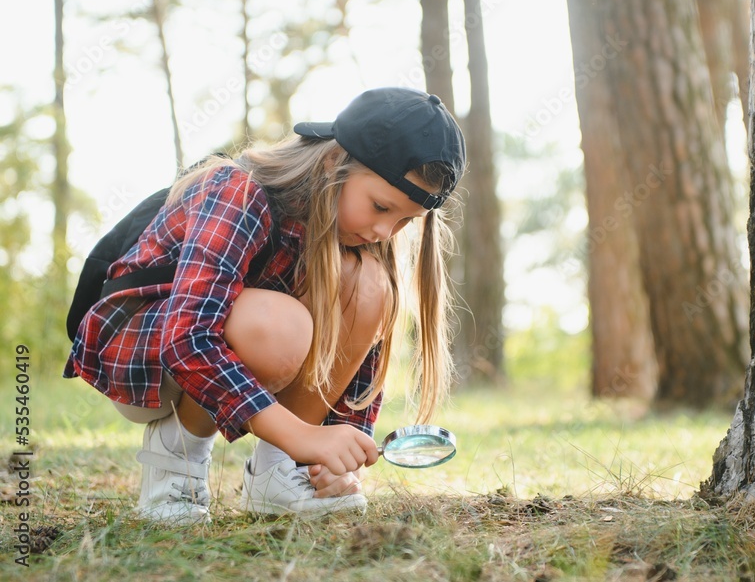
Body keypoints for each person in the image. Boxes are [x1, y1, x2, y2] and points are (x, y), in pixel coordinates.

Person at [63, 87, 466, 525]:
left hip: (212, 355)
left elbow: (358, 367)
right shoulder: (239, 190)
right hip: (145, 355)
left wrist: (331, 456)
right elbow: (187, 340)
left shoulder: (363, 243)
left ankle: (280, 473)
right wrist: (301, 435)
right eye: (380, 207)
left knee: (370, 284)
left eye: (404, 220)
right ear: (334, 163)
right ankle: (173, 466)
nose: (385, 230)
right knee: (276, 327)